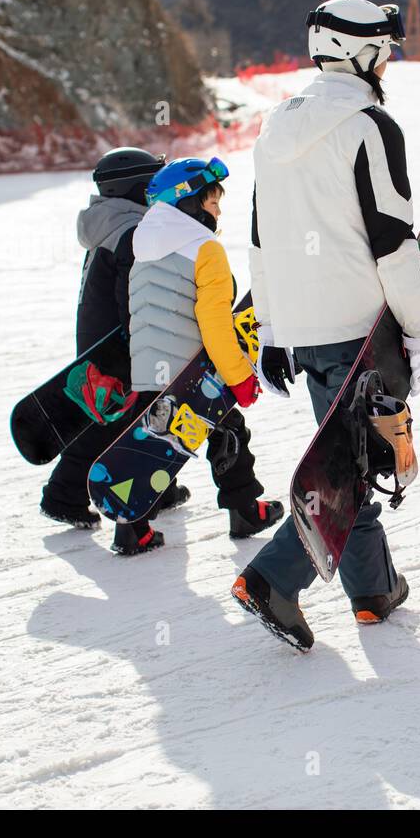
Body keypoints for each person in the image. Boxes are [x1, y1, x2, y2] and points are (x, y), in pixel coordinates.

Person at [230, 0, 420, 651]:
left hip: (301, 328)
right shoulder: (372, 127)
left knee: (350, 458)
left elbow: (260, 241)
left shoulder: (272, 128)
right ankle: (271, 578)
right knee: (346, 470)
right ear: (359, 52)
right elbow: (394, 242)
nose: (388, 64)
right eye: (384, 51)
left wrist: (265, 330)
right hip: (359, 326)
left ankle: (373, 591)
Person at [119, 156, 283, 555]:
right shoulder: (204, 249)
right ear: (187, 202)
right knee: (229, 433)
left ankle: (131, 527)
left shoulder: (142, 249)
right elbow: (214, 323)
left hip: (147, 368)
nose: (218, 211)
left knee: (151, 448)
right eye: (212, 203)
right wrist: (239, 377)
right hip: (191, 371)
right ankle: (245, 510)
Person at [41, 147, 187, 529]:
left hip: (100, 336)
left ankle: (160, 487)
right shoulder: (131, 231)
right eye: (153, 182)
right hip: (119, 341)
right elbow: (132, 296)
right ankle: (64, 496)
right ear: (137, 188)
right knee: (109, 422)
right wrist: (143, 340)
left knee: (139, 415)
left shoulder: (110, 222)